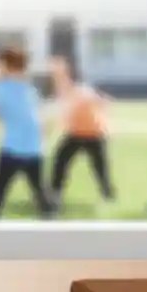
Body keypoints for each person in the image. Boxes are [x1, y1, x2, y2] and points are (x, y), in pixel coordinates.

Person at [0, 46, 55, 220]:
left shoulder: (1, 88)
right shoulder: (30, 89)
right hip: (34, 149)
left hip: (12, 149)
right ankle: (53, 225)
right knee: (41, 195)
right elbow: (42, 120)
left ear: (6, 65)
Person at [47, 57, 114, 211]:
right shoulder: (66, 90)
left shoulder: (82, 90)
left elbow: (103, 102)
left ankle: (107, 193)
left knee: (100, 167)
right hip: (76, 134)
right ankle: (55, 193)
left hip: (93, 135)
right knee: (60, 160)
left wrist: (106, 124)